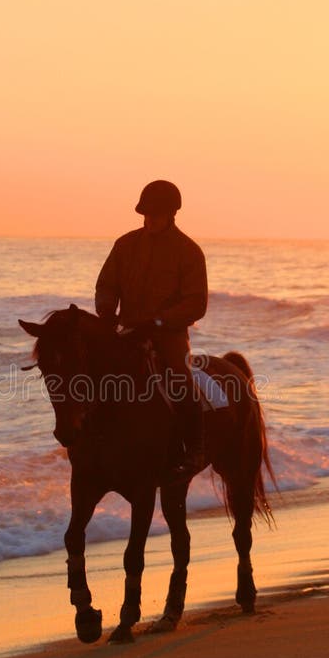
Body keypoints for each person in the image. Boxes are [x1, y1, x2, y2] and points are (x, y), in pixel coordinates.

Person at [95, 179, 208, 476]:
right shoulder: (125, 245)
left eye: (157, 214)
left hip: (168, 335)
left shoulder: (189, 251)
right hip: (128, 330)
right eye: (147, 214)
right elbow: (107, 284)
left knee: (181, 380)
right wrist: (106, 310)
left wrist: (160, 321)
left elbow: (196, 303)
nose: (151, 219)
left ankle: (194, 450)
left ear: (172, 214)